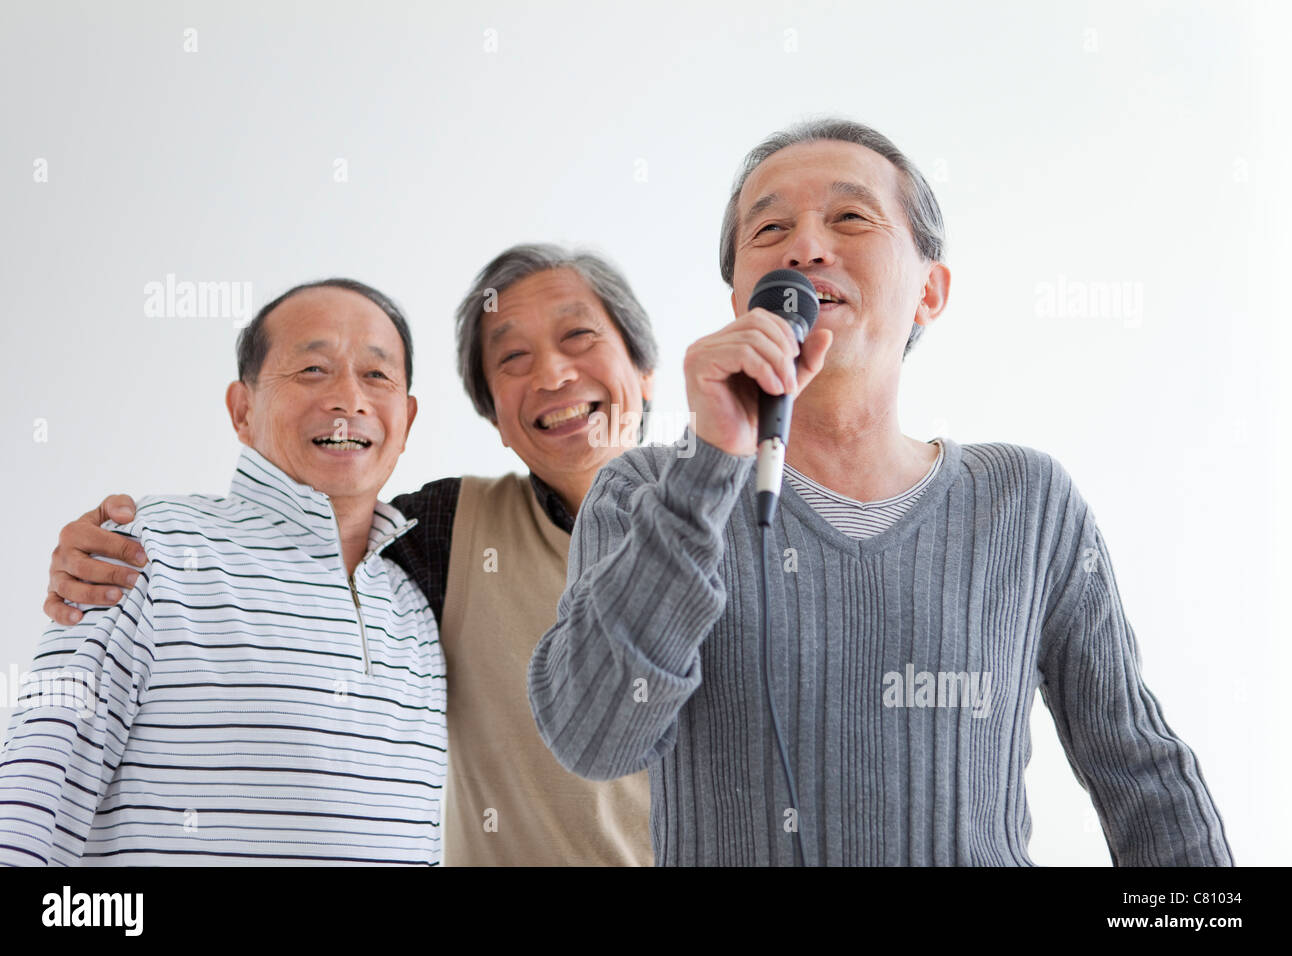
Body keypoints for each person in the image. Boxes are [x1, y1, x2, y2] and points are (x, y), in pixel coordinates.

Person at [527, 118, 1234, 866]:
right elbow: (595, 737)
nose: (805, 247)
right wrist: (710, 466)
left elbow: (1141, 771)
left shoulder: (1028, 503)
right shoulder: (643, 491)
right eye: (769, 228)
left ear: (931, 291)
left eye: (850, 217)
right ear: (740, 295)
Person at [40, 245, 659, 866]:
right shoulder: (447, 533)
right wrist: (113, 546)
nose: (552, 375)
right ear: (494, 413)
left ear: (645, 371)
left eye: (579, 336)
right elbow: (323, 523)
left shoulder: (745, 527)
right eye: (513, 358)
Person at [0, 279, 446, 865]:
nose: (349, 399)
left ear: (407, 418)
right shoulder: (146, 549)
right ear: (243, 408)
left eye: (377, 375)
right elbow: (33, 801)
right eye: (313, 369)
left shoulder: (417, 606)